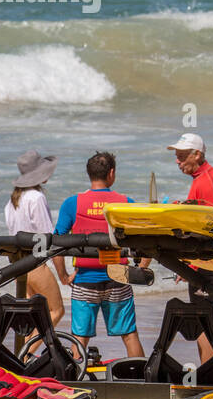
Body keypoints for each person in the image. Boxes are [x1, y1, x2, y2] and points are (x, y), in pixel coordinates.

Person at [53, 151, 147, 359]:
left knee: (79, 338)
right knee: (130, 335)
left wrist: (63, 275)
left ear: (89, 174)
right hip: (118, 279)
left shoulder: (72, 203)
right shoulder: (125, 202)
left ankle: (74, 382)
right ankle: (140, 379)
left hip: (85, 279)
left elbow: (56, 244)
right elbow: (146, 240)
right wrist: (140, 269)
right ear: (111, 174)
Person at [4, 151, 65, 351]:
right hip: (35, 262)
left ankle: (22, 356)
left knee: (35, 314)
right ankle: (26, 355)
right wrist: (61, 270)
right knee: (56, 311)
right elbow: (46, 236)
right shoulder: (36, 198)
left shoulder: (12, 201)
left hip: (17, 264)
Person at [166, 133, 213, 209]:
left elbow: (209, 218)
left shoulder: (206, 182)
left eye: (181, 156)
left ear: (197, 155)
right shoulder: (204, 175)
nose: (177, 161)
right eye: (177, 156)